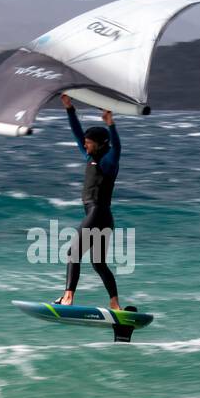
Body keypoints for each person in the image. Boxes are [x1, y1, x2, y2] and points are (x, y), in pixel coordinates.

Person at [55, 94, 121, 308]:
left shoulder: (108, 161)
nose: (85, 144)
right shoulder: (90, 156)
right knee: (99, 263)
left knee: (72, 253)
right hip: (104, 218)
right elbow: (76, 134)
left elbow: (117, 149)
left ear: (101, 144)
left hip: (97, 213)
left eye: (89, 142)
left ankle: (68, 298)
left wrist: (111, 126)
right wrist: (69, 109)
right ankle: (115, 304)